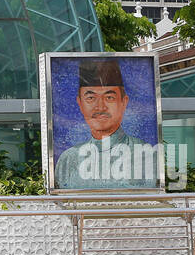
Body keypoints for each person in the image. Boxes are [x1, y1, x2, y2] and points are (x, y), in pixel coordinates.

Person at [54, 59, 155, 189]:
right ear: (80, 103)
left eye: (109, 98)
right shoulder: (68, 158)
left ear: (124, 102)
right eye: (91, 98)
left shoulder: (144, 153)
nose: (100, 107)